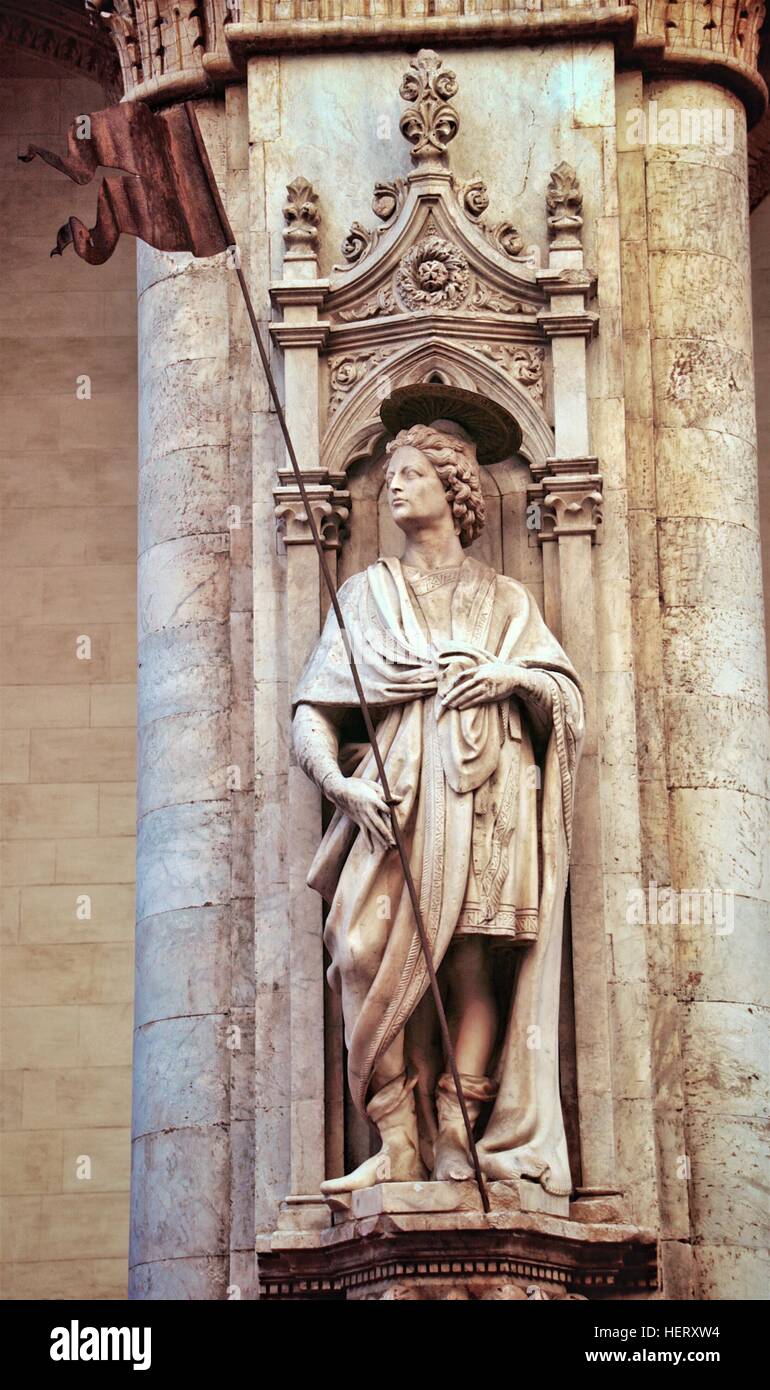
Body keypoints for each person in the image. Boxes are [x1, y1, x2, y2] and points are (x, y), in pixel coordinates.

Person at [292, 385, 584, 1198]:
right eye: (387, 474)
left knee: (469, 968)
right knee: (358, 950)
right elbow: (312, 714)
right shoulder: (365, 595)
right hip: (396, 807)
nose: (393, 486)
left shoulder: (506, 599)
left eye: (411, 472)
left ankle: (457, 1137)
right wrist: (340, 785)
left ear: (455, 490)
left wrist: (507, 674)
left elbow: (563, 695)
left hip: (491, 799)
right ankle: (396, 1137)